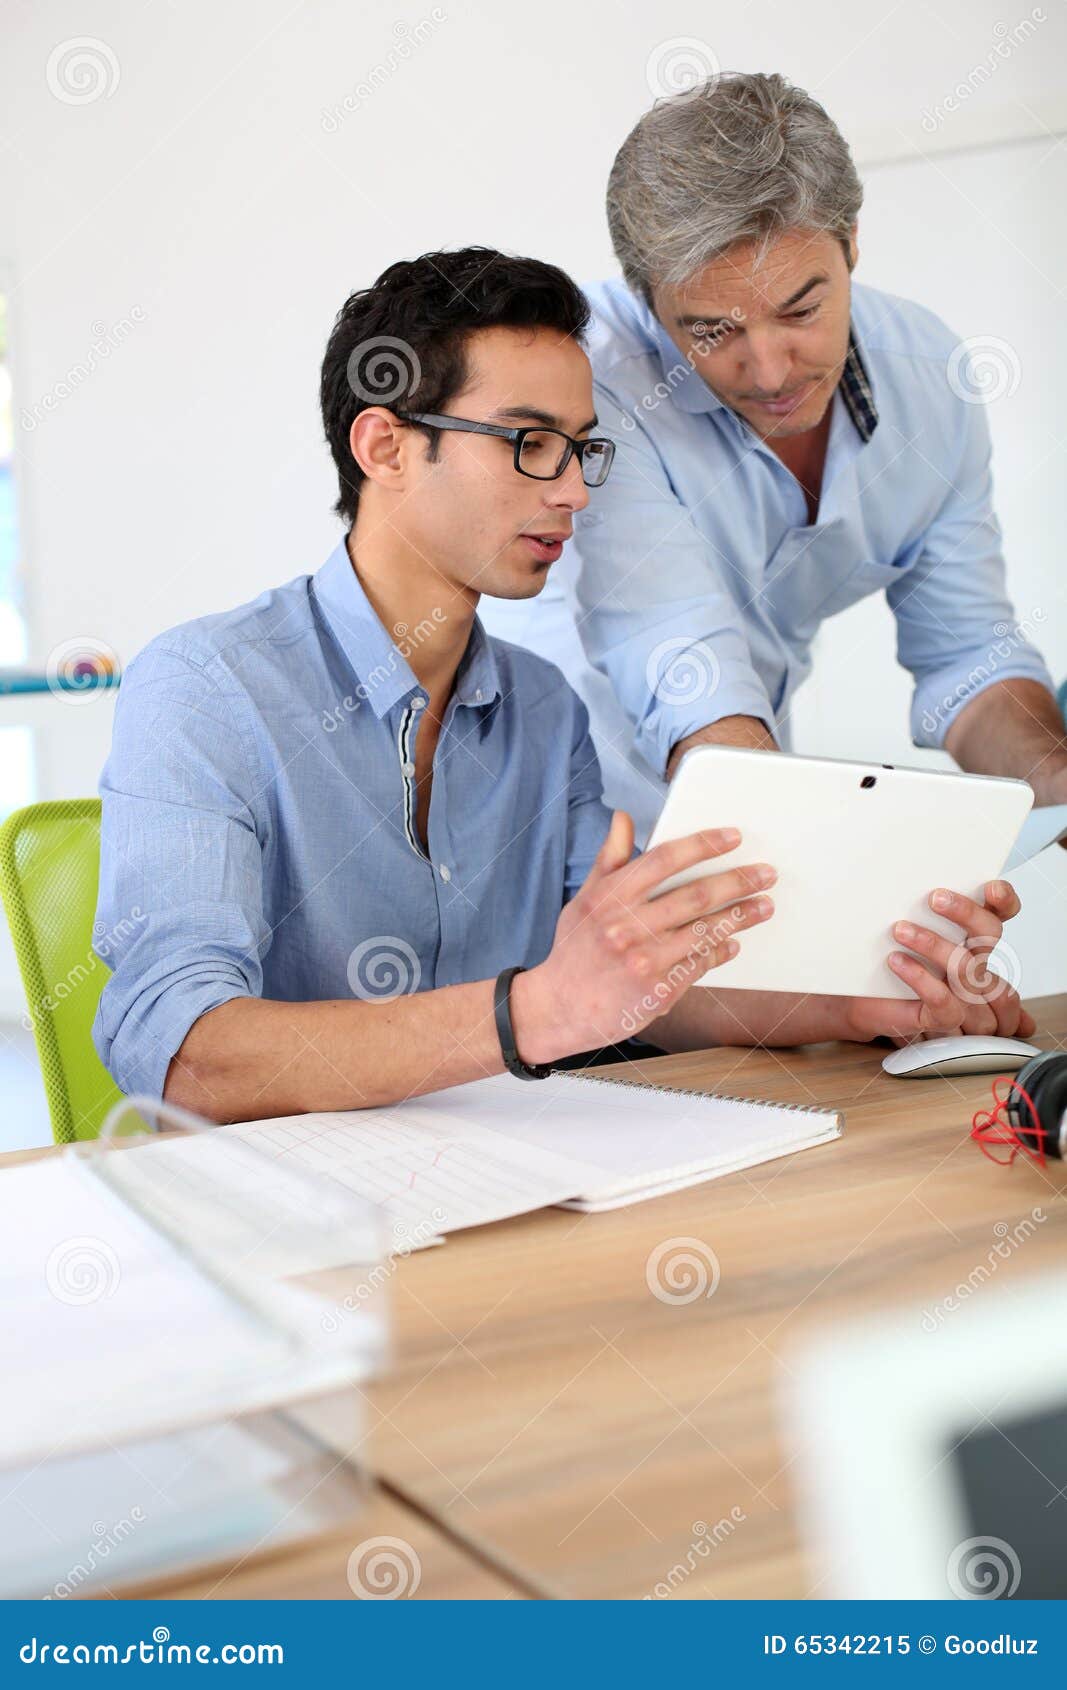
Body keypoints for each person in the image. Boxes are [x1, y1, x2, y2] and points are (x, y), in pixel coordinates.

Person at [92, 248, 1032, 1125]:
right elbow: (178, 1051)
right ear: (383, 447)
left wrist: (881, 999)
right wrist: (530, 1013)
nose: (575, 492)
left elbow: (653, 992)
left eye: (582, 448)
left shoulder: (539, 709)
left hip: (507, 1184)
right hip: (299, 1237)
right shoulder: (205, 688)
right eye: (527, 442)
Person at [480, 72, 1065, 842]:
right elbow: (679, 658)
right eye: (710, 332)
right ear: (646, 298)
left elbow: (967, 655)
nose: (770, 371)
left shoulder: (929, 379)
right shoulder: (592, 384)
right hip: (540, 814)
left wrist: (1052, 781)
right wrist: (816, 867)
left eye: (800, 311)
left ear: (852, 242)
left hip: (742, 785)